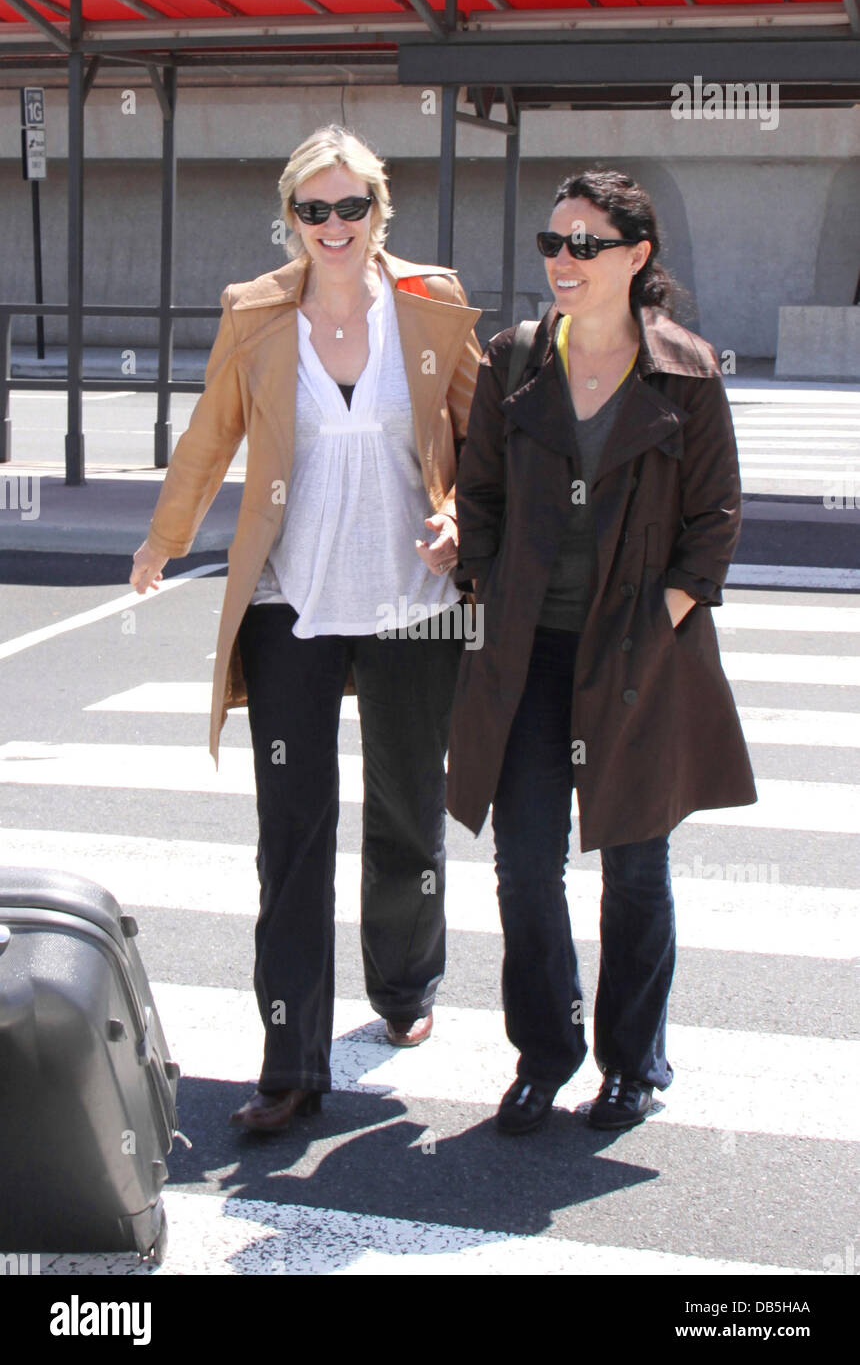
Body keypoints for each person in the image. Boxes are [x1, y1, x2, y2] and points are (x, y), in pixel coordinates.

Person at [130, 125, 481, 1133]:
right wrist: (163, 539)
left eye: (350, 206)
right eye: (313, 209)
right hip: (292, 601)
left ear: (379, 211)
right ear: (290, 216)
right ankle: (290, 1062)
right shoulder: (256, 313)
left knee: (407, 810)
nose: (333, 225)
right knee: (291, 832)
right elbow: (210, 435)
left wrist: (460, 516)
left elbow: (483, 437)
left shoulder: (428, 304)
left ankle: (405, 984)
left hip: (412, 600)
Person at [446, 168, 757, 1135]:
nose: (563, 260)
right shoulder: (514, 359)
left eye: (585, 243)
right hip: (529, 651)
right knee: (525, 864)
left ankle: (631, 1062)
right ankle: (545, 1052)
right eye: (553, 242)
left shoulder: (686, 373)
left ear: (636, 255)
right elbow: (479, 493)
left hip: (635, 655)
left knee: (634, 864)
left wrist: (659, 618)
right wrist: (483, 585)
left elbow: (715, 518)